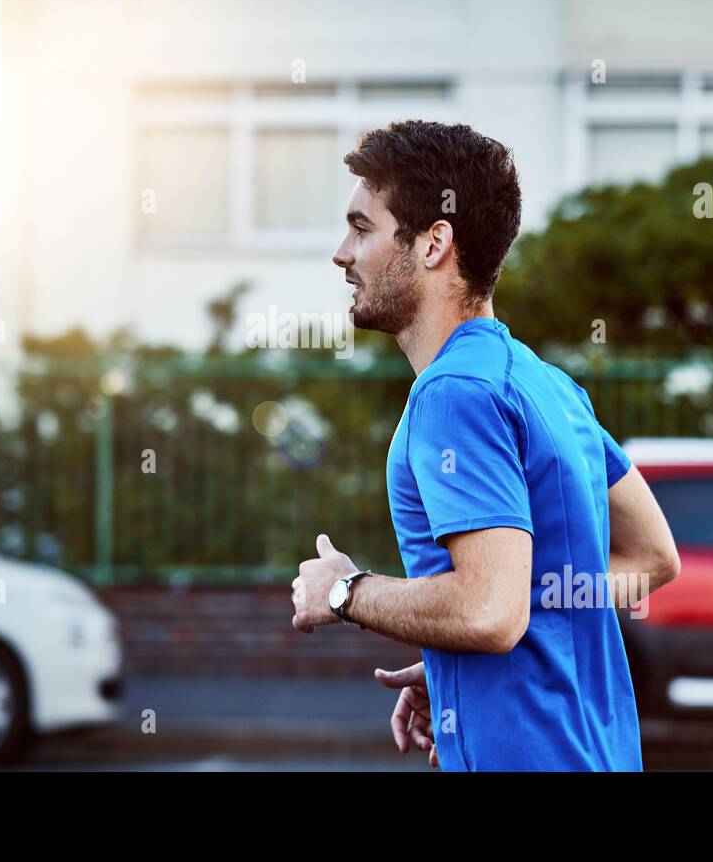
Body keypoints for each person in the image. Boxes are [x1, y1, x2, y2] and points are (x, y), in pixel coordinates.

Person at [289, 121, 680, 771]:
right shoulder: (545, 383)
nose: (342, 252)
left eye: (362, 228)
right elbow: (652, 556)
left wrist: (344, 592)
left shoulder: (453, 394)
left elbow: (490, 611)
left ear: (433, 241)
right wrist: (453, 656)